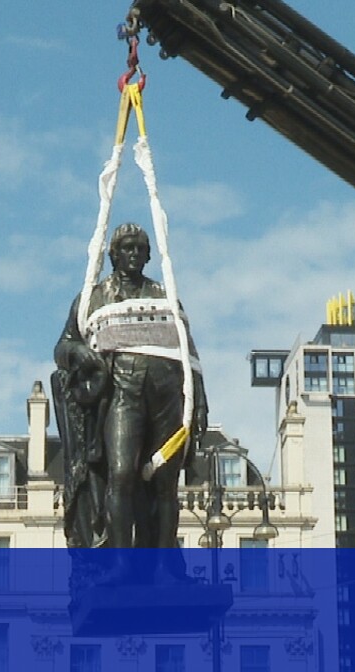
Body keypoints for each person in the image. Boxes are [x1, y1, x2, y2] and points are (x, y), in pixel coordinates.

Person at [54, 222, 207, 577]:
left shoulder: (164, 296)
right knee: (121, 473)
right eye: (127, 248)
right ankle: (122, 563)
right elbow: (63, 345)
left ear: (149, 255)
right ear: (114, 254)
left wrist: (199, 402)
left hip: (167, 391)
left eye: (140, 248)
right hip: (122, 390)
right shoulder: (94, 297)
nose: (135, 254)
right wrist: (79, 352)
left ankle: (165, 564)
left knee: (166, 482)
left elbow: (189, 355)